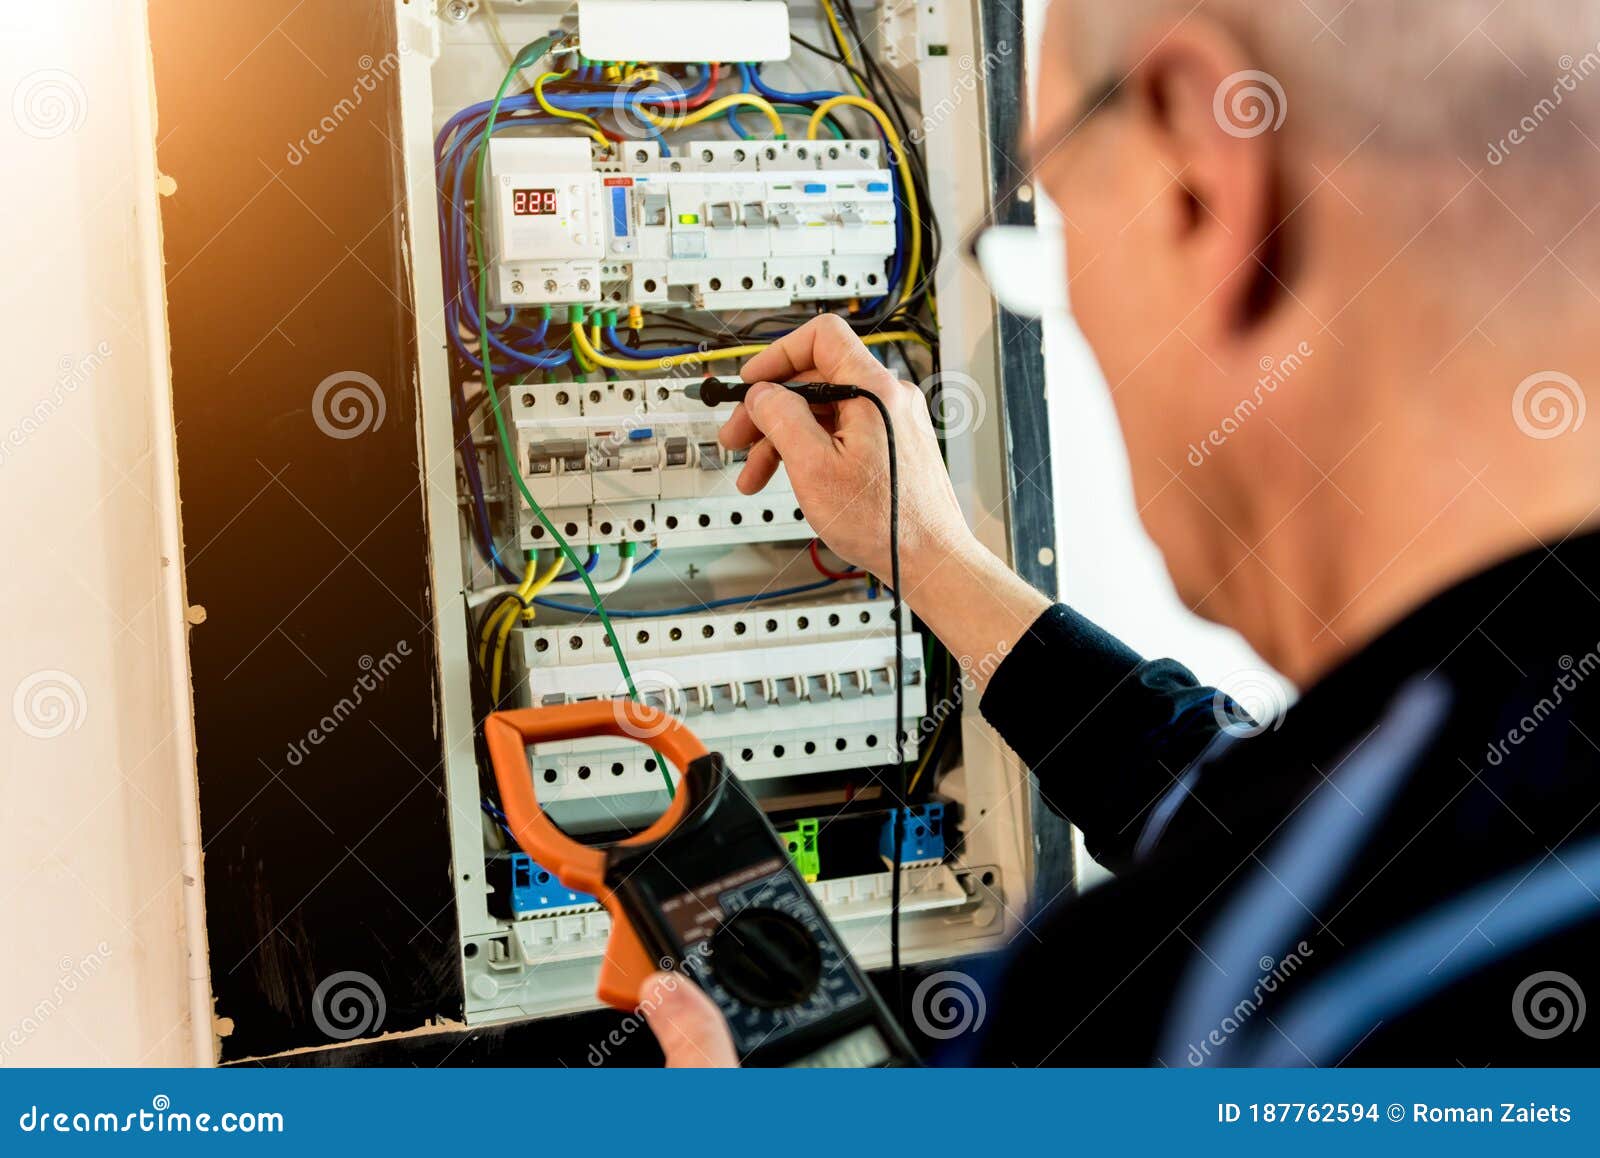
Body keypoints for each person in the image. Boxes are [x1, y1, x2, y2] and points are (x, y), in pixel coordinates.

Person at [639, 0, 1600, 1065]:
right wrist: (935, 561)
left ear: (1201, 172)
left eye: (1053, 213)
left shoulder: (1191, 1019)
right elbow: (1245, 811)